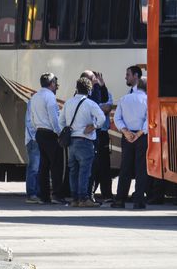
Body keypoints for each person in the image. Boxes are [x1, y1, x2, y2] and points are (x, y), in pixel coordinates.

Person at [59, 76, 106, 208]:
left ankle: (74, 199)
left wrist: (69, 129)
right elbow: (101, 118)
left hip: (71, 142)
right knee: (85, 171)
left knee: (73, 170)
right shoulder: (90, 104)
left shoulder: (68, 103)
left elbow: (60, 121)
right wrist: (94, 126)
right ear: (89, 90)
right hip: (85, 141)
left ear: (76, 89)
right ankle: (84, 198)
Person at [113, 68, 149, 209]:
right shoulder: (147, 100)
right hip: (141, 137)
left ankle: (120, 200)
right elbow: (148, 120)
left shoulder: (124, 99)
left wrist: (126, 131)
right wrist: (139, 133)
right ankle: (139, 200)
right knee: (141, 169)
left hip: (126, 137)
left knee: (125, 168)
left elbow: (117, 118)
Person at [30, 72, 67, 204]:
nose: (57, 86)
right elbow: (53, 118)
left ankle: (43, 196)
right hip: (51, 134)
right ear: (51, 84)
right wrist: (59, 133)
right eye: (56, 84)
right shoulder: (50, 97)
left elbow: (32, 117)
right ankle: (57, 195)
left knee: (43, 166)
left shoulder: (35, 97)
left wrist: (36, 129)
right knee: (56, 166)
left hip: (40, 133)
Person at [83, 69, 114, 204]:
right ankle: (89, 194)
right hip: (92, 133)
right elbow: (100, 108)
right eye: (92, 79)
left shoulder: (103, 92)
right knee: (92, 165)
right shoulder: (84, 95)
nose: (95, 81)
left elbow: (108, 107)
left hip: (101, 133)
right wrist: (98, 109)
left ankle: (107, 194)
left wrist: (101, 87)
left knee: (104, 165)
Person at [23, 94, 41, 204]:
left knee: (37, 168)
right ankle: (31, 194)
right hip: (33, 140)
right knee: (34, 168)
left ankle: (36, 193)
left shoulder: (33, 102)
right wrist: (35, 137)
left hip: (34, 139)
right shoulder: (32, 103)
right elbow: (29, 122)